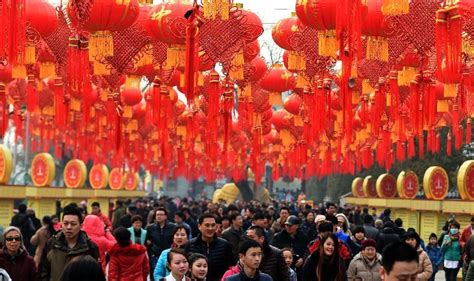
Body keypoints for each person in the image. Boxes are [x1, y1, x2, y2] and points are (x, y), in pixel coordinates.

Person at [39, 206, 99, 281]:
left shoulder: (90, 247)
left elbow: (95, 275)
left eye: (73, 224)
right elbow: (43, 271)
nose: (69, 227)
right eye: (65, 223)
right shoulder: (52, 243)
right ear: (61, 224)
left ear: (81, 226)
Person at [185, 213, 233, 281]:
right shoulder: (190, 244)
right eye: (207, 225)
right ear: (199, 226)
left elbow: (230, 267)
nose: (210, 228)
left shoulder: (225, 245)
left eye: (213, 225)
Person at [146, 207, 177, 280]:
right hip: (155, 255)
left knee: (168, 274)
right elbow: (147, 242)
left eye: (161, 214)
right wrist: (151, 254)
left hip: (168, 254)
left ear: (165, 216)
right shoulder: (150, 228)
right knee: (156, 274)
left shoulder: (172, 227)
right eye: (157, 215)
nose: (159, 216)